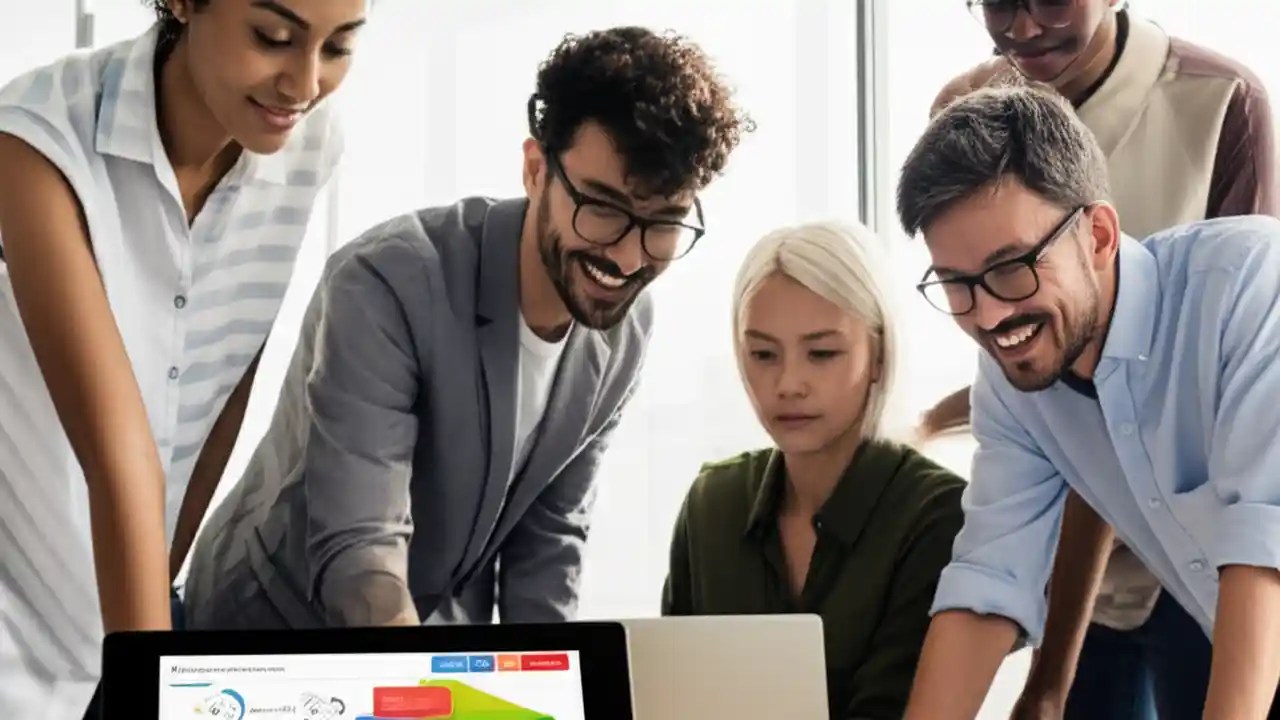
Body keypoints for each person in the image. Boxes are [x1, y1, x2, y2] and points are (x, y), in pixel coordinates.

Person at [181, 26, 752, 631]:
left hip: (424, 629)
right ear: (535, 170)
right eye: (603, 208)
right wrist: (417, 679)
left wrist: (556, 680)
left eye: (664, 223)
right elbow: (361, 553)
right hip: (266, 629)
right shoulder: (389, 282)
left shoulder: (625, 329)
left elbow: (549, 542)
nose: (629, 258)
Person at [0, 0, 363, 716]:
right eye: (273, 38)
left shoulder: (307, 144)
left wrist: (155, 608)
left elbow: (225, 382)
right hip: (16, 605)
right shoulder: (36, 140)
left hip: (113, 622)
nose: (304, 84)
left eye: (337, 48)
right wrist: (153, 683)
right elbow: (118, 451)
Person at [923, 2, 1276, 716]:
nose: (988, 314)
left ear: (1100, 236)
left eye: (1012, 268)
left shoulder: (1247, 283)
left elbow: (1262, 545)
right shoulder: (1015, 376)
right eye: (957, 284)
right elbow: (990, 577)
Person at [662, 221, 965, 718]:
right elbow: (669, 694)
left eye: (821, 353)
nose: (788, 383)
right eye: (763, 354)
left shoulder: (937, 516)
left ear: (879, 355)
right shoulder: (711, 504)